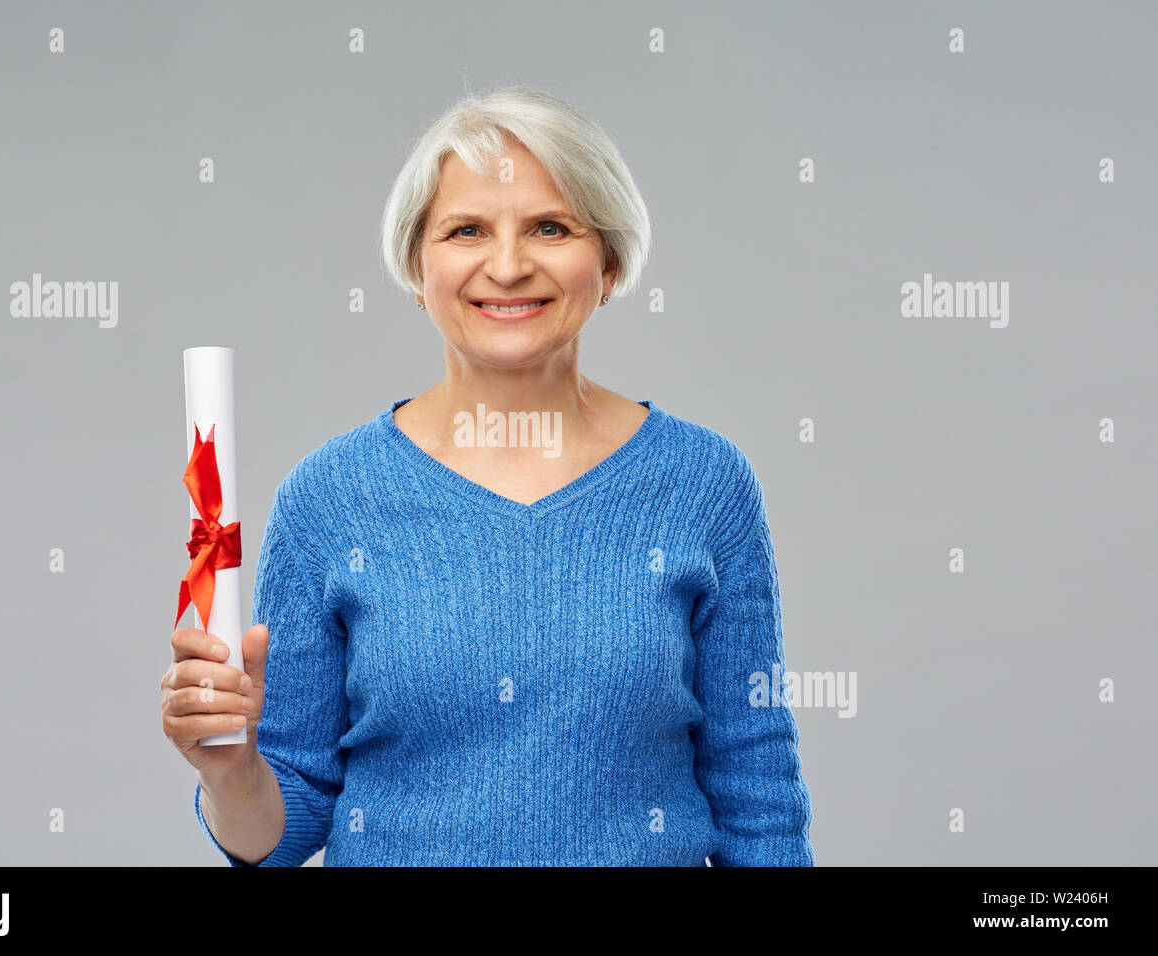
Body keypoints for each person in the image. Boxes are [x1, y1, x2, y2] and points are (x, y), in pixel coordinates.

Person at [161, 85, 815, 866]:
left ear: (607, 261)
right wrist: (231, 774)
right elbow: (283, 828)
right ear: (416, 266)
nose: (508, 266)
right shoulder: (329, 498)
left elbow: (760, 798)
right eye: (466, 229)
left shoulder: (704, 483)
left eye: (550, 227)